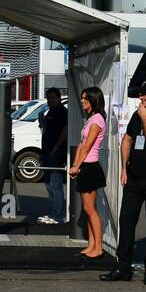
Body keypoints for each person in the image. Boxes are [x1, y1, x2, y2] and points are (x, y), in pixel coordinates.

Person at [101, 80, 146, 285]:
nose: (141, 97)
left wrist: (145, 119)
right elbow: (127, 140)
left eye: (145, 94)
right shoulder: (137, 115)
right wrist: (124, 167)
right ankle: (123, 267)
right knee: (126, 221)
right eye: (140, 94)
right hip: (134, 179)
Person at [68, 87, 106, 257]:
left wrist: (77, 165)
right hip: (85, 167)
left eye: (86, 98)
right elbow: (81, 144)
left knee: (90, 209)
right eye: (82, 98)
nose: (83, 101)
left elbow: (88, 146)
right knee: (88, 208)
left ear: (94, 100)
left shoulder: (97, 119)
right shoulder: (90, 119)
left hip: (90, 167)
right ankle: (92, 245)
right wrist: (76, 164)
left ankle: (98, 247)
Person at [37, 88, 68, 224]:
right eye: (48, 98)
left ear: (59, 98)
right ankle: (52, 213)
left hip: (56, 153)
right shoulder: (50, 112)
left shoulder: (61, 112)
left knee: (55, 185)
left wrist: (55, 148)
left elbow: (65, 131)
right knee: (49, 184)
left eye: (53, 98)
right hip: (48, 152)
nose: (50, 100)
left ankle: (58, 215)